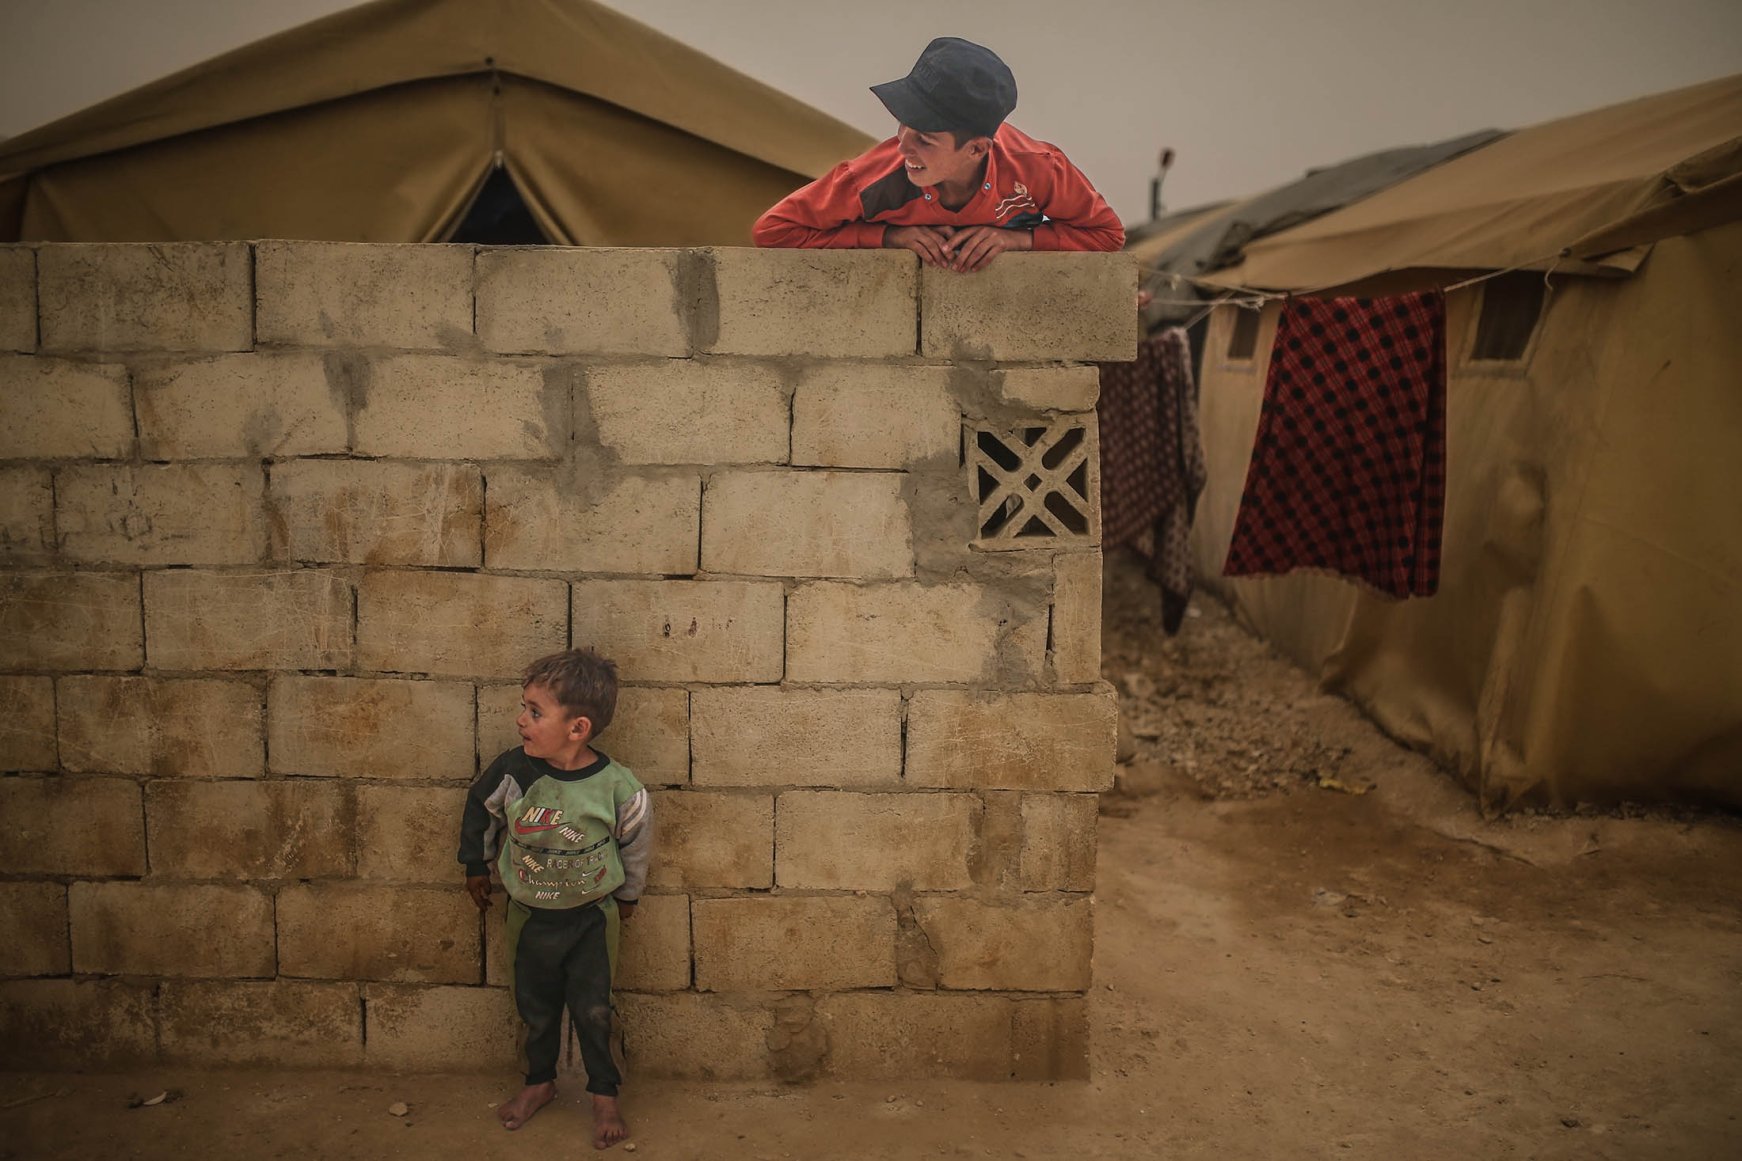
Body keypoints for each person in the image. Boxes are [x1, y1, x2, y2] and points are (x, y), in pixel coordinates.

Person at [457, 648, 653, 1149]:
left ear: (577, 728)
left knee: (595, 1011)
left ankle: (604, 1093)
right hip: (528, 918)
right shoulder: (513, 772)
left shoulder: (617, 787)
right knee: (535, 1008)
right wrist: (475, 865)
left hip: (592, 920)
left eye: (535, 711)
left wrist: (628, 896)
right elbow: (481, 811)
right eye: (524, 707)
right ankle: (538, 1084)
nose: (521, 719)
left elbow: (634, 842)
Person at [753, 36, 1123, 270]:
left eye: (925, 138)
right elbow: (774, 230)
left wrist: (1016, 240)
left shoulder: (1038, 169)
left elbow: (1107, 236)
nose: (902, 146)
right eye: (903, 125)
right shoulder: (874, 178)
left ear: (977, 149)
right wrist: (888, 237)